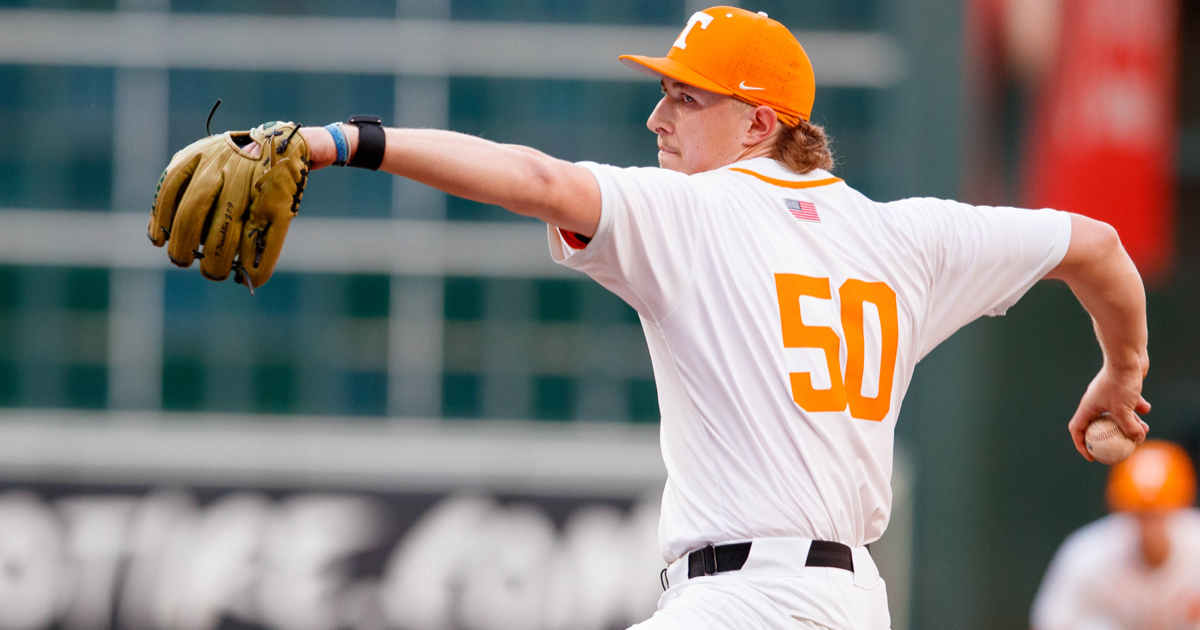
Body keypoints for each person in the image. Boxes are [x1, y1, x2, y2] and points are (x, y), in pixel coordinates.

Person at [155, 7, 1152, 629]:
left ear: (760, 124)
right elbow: (1099, 247)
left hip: (744, 601)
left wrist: (343, 140)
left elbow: (537, 179)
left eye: (684, 97)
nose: (656, 119)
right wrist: (1122, 369)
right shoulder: (908, 237)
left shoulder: (697, 212)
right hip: (849, 605)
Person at [1031, 440, 1200, 630]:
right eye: (1139, 512)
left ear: (1182, 505)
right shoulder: (1088, 553)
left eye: (1158, 511)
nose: (1150, 524)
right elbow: (1051, 621)